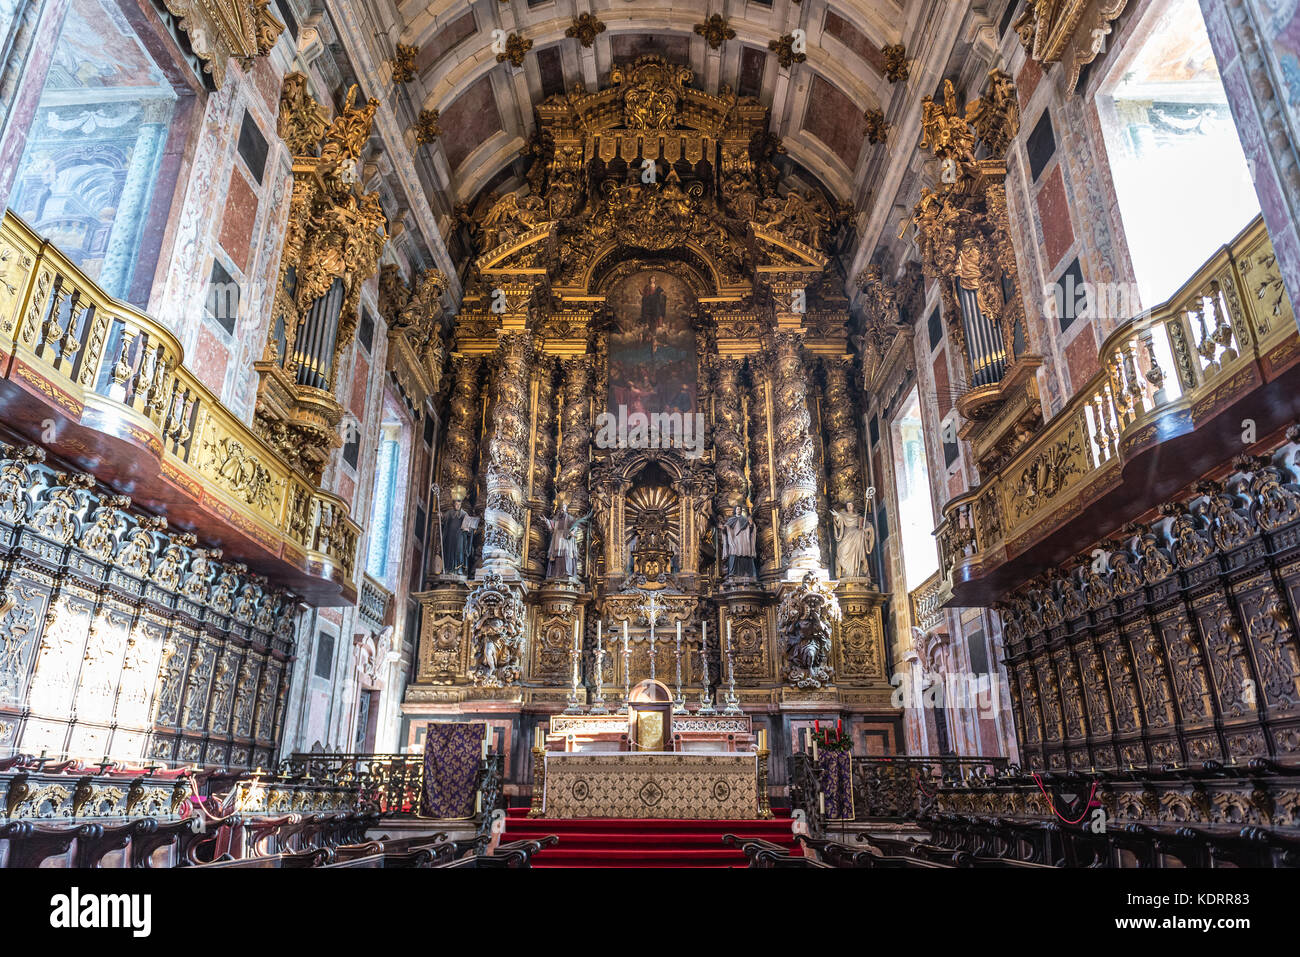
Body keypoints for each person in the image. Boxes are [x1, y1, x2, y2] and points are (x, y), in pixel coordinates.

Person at [544, 501, 591, 579]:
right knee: (557, 556)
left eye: (563, 508)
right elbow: (552, 526)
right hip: (557, 538)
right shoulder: (557, 519)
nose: (561, 510)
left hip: (566, 540)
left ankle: (567, 572)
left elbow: (575, 525)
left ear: (566, 509)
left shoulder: (569, 518)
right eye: (560, 508)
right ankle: (556, 573)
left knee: (566, 555)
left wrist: (572, 532)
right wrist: (546, 521)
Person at [831, 500, 874, 579]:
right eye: (848, 505)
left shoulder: (858, 516)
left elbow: (866, 525)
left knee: (859, 537)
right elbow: (839, 520)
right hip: (847, 534)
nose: (849, 507)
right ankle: (846, 572)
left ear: (853, 506)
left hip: (857, 535)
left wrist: (865, 528)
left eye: (850, 505)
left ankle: (857, 570)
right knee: (842, 550)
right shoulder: (843, 515)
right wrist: (837, 516)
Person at [717, 505, 757, 579]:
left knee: (745, 554)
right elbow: (726, 529)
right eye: (737, 509)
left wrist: (751, 524)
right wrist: (723, 528)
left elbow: (750, 530)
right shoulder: (731, 520)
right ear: (735, 510)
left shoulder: (745, 519)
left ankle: (746, 573)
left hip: (744, 540)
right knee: (734, 553)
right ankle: (733, 572)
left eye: (740, 509)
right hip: (734, 539)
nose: (738, 510)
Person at [441, 495, 476, 577]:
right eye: (456, 504)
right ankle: (449, 569)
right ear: (454, 504)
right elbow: (444, 519)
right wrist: (441, 515)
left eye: (459, 505)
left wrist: (468, 530)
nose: (457, 506)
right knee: (449, 551)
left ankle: (459, 569)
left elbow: (469, 526)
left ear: (461, 505)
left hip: (460, 536)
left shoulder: (464, 514)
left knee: (459, 551)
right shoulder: (449, 513)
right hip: (450, 536)